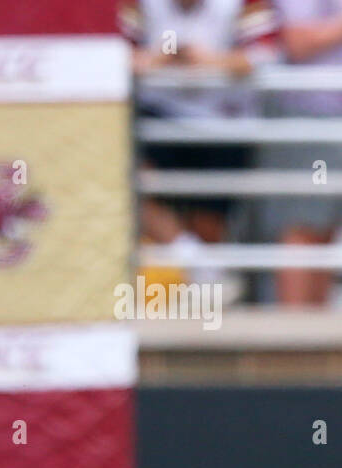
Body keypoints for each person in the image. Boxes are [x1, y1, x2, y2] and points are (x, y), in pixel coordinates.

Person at [122, 0, 278, 287]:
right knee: (130, 183)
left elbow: (265, 55)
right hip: (159, 117)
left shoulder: (244, 5)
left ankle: (203, 297)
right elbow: (111, 53)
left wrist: (207, 61)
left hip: (223, 125)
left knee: (208, 225)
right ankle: (195, 262)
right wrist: (158, 59)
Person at [258, 0, 342, 305]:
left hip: (337, 118)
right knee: (301, 227)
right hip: (307, 117)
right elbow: (297, 42)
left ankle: (315, 333)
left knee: (324, 229)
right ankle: (295, 338)